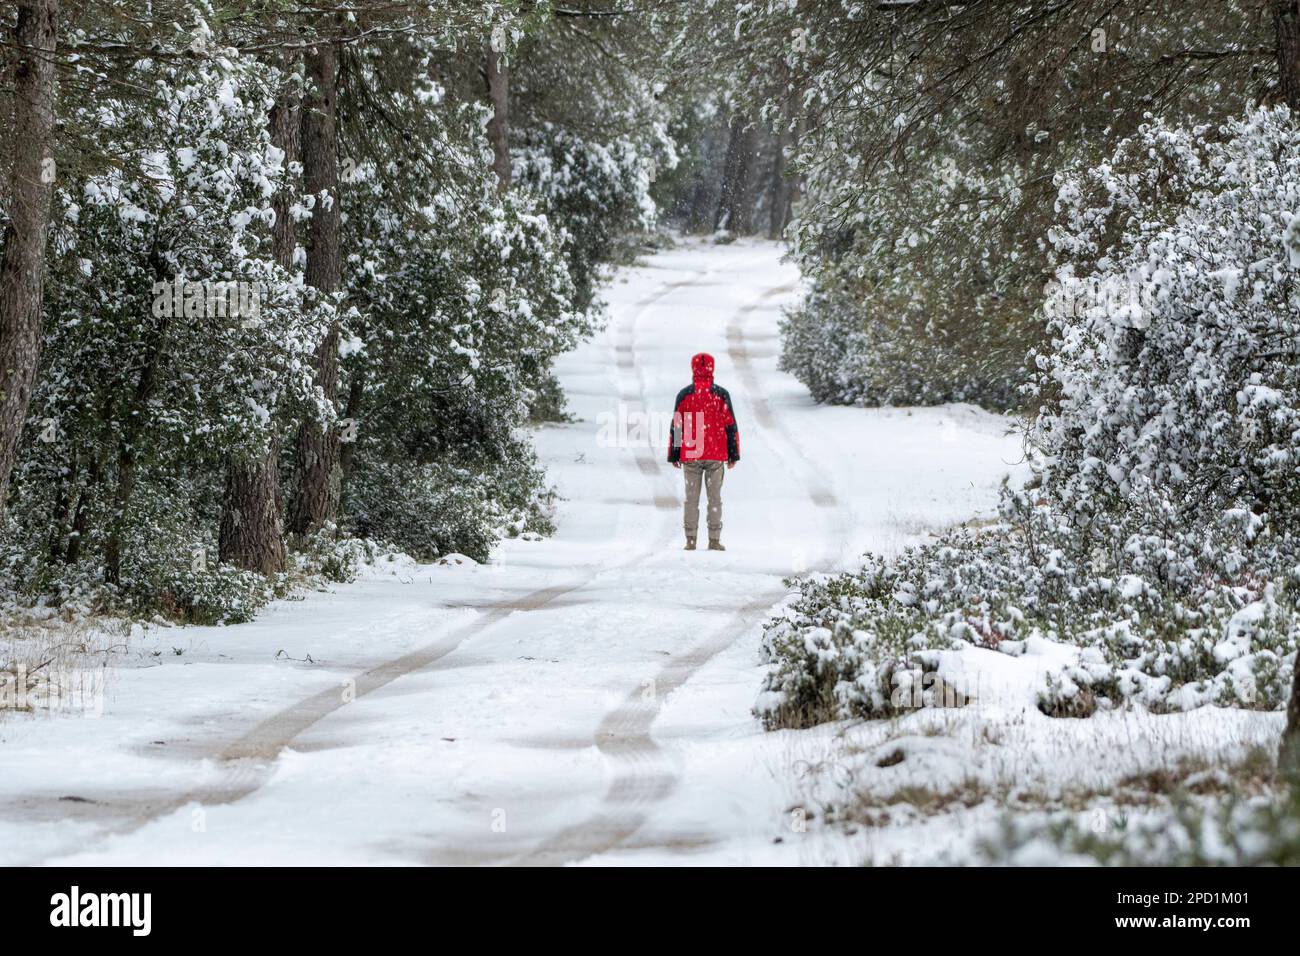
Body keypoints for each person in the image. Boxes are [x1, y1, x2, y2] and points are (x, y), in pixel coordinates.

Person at [666, 352, 739, 550]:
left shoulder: (685, 395)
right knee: (714, 498)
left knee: (691, 499)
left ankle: (690, 540)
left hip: (691, 453)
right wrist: (733, 454)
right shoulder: (721, 394)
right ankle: (714, 540)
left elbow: (677, 425)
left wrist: (675, 452)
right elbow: (730, 426)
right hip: (715, 454)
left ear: (693, 369)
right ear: (712, 369)